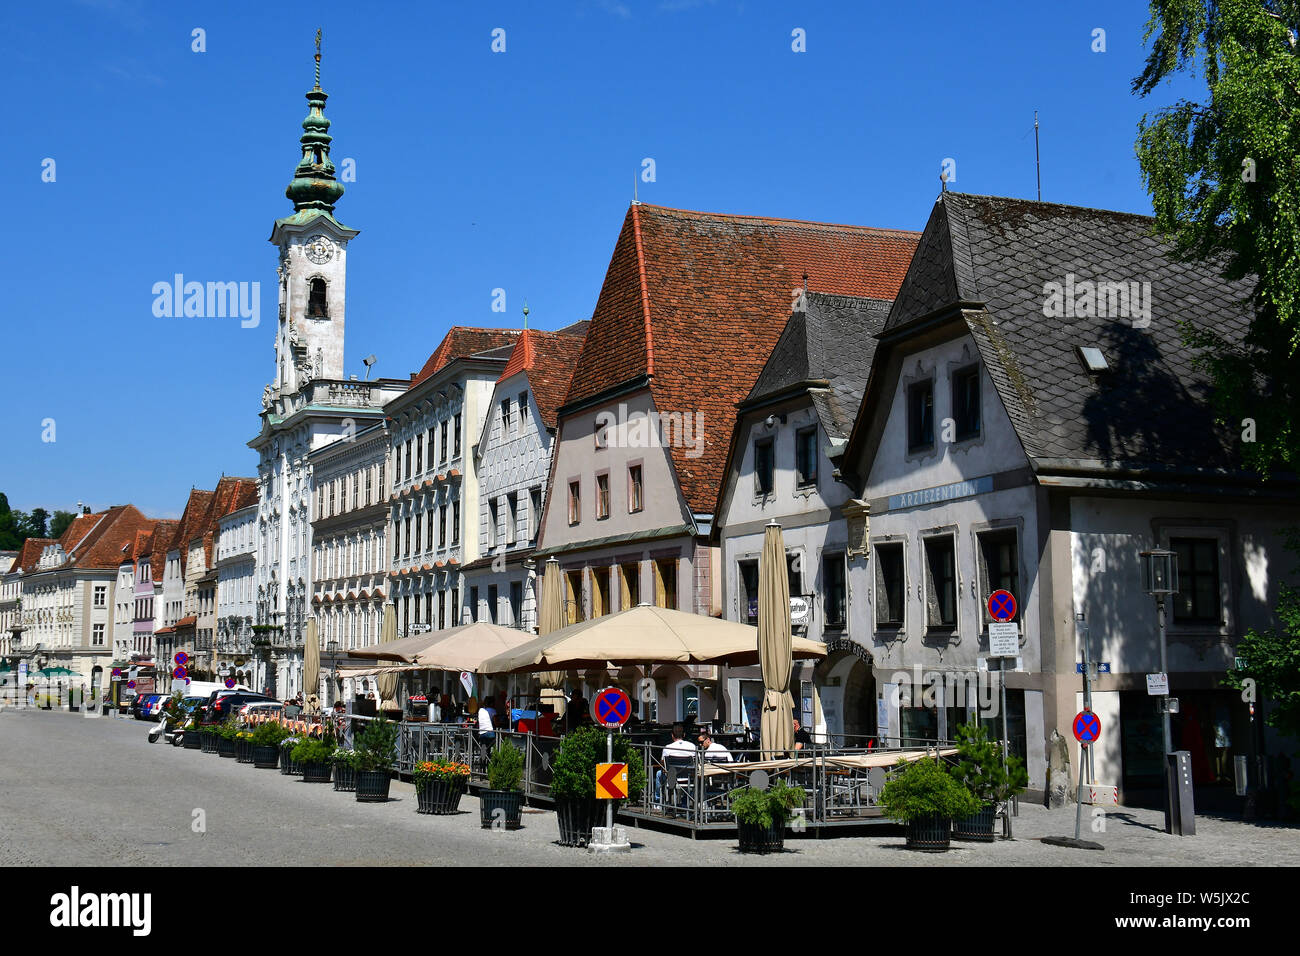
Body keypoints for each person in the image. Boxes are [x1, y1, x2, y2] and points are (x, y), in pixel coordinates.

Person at [655, 723, 697, 805]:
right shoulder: (692, 746)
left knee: (658, 774)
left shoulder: (668, 747)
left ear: (672, 735)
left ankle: (658, 801)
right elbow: (697, 761)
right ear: (684, 735)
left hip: (672, 778)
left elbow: (662, 763)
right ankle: (685, 801)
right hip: (689, 778)